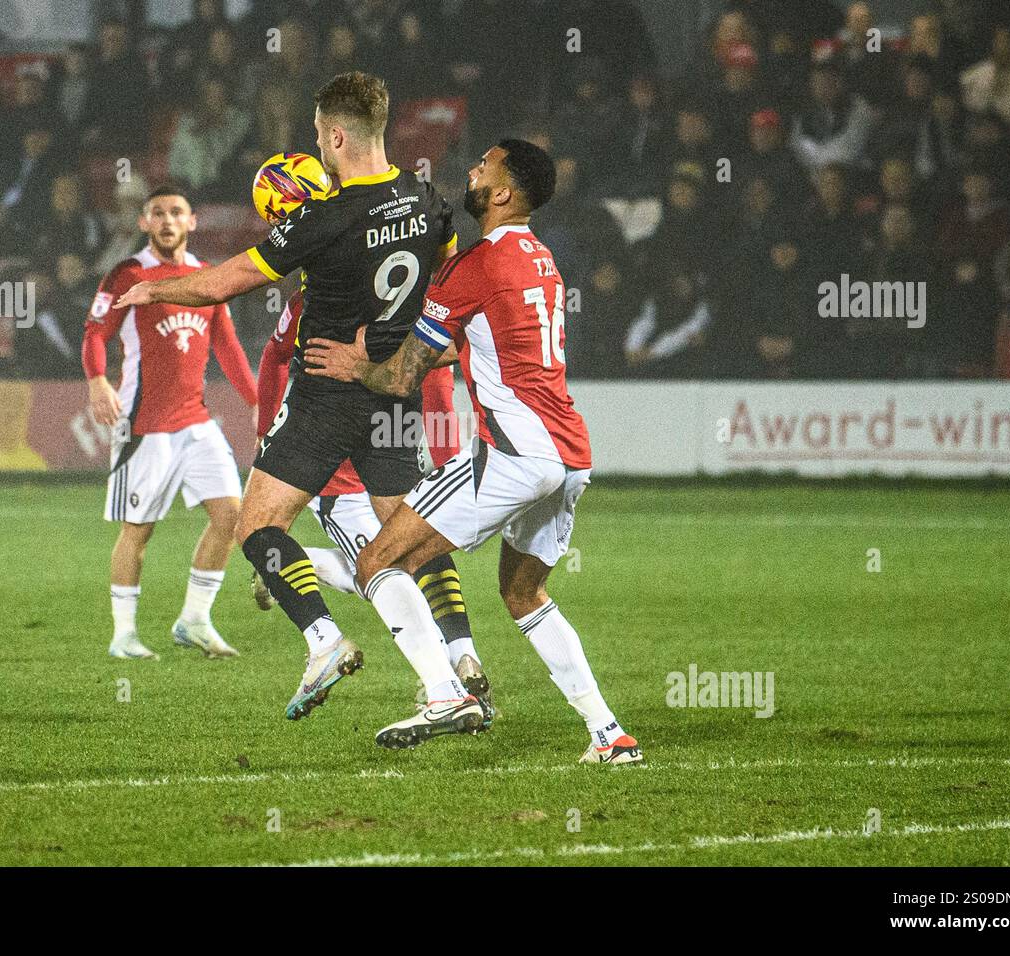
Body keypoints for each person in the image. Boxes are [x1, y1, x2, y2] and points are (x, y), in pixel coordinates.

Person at [114, 72, 476, 731]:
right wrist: (403, 353)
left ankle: (324, 641)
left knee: (258, 525)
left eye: (317, 134)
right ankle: (449, 683)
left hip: (325, 396)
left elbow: (227, 282)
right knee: (398, 543)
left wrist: (156, 290)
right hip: (394, 397)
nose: (317, 143)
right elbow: (450, 287)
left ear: (336, 136)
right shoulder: (429, 200)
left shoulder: (325, 217)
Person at [305, 140, 643, 764]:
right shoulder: (541, 259)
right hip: (569, 453)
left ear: (504, 192)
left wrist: (357, 363)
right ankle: (608, 734)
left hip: (513, 452)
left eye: (483, 167)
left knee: (379, 559)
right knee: (524, 595)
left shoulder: (477, 266)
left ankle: (446, 693)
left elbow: (403, 375)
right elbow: (485, 344)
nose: (471, 172)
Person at [254, 285, 492, 720]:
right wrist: (447, 457)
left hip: (341, 470)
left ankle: (443, 686)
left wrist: (267, 433)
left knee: (382, 568)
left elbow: (274, 355)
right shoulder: (412, 300)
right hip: (384, 453)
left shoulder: (313, 299)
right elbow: (436, 374)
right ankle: (461, 655)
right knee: (415, 550)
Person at [83, 186, 259, 661]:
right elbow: (95, 332)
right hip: (145, 425)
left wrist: (257, 400)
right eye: (157, 213)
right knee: (138, 531)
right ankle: (124, 634)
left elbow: (227, 345)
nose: (167, 220)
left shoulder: (207, 276)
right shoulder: (128, 274)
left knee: (231, 515)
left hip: (196, 421)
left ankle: (195, 620)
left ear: (192, 221)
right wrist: (98, 380)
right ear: (144, 223)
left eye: (176, 212)